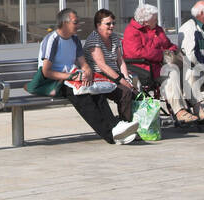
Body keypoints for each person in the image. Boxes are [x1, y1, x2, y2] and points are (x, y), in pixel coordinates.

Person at [38, 8, 138, 144]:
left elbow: (84, 64)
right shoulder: (52, 40)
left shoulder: (74, 39)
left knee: (96, 91)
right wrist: (72, 77)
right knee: (84, 98)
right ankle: (111, 135)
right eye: (75, 22)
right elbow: (46, 71)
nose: (78, 25)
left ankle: (117, 127)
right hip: (54, 81)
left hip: (73, 77)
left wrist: (87, 74)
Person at [123, 3, 201, 126]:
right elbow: (135, 53)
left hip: (161, 64)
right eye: (155, 19)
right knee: (171, 72)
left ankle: (198, 108)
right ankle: (179, 111)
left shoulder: (157, 29)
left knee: (190, 71)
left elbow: (167, 44)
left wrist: (174, 50)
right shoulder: (132, 32)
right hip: (144, 69)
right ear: (145, 21)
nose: (157, 20)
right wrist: (161, 54)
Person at [83, 9, 139, 139]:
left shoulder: (114, 38)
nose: (112, 26)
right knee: (125, 92)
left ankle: (134, 126)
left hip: (114, 76)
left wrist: (126, 78)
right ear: (98, 25)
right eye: (108, 24)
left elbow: (120, 61)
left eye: (113, 23)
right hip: (99, 77)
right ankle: (126, 129)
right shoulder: (94, 39)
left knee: (136, 93)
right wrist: (121, 80)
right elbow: (102, 65)